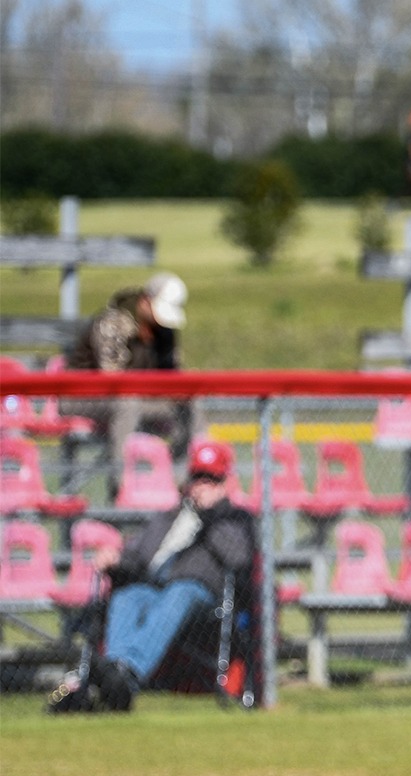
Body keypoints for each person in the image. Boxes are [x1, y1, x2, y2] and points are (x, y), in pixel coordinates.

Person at [46, 440, 257, 714]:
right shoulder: (170, 516)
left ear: (225, 482)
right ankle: (115, 674)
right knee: (127, 595)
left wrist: (209, 515)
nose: (203, 485)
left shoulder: (234, 518)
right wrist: (116, 558)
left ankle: (128, 673)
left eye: (212, 479)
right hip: (154, 588)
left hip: (202, 597)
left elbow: (237, 557)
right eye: (198, 477)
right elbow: (139, 553)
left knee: (180, 591)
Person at [64, 271, 193, 456]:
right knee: (127, 404)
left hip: (138, 397)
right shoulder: (112, 322)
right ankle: (121, 479)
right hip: (82, 397)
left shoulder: (165, 331)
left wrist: (180, 392)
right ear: (145, 300)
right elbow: (112, 379)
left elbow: (171, 373)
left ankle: (190, 477)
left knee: (189, 404)